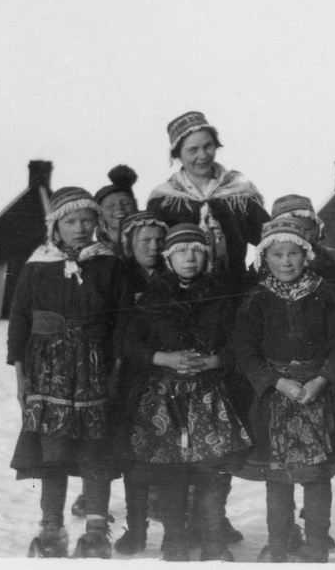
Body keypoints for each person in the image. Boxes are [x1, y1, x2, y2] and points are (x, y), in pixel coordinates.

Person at [7, 187, 134, 559]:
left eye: (87, 220)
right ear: (56, 226)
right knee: (53, 452)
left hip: (95, 368)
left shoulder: (109, 264)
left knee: (95, 450)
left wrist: (116, 369)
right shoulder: (37, 265)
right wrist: (20, 375)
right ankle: (51, 529)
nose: (80, 228)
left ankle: (96, 532)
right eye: (70, 221)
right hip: (47, 370)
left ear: (97, 222)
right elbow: (19, 321)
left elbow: (124, 321)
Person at [121, 224, 252, 562]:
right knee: (170, 472)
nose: (189, 257)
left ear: (207, 255)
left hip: (209, 394)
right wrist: (162, 357)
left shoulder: (223, 296)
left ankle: (212, 541)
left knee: (210, 470)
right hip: (164, 396)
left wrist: (216, 360)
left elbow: (241, 340)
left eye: (197, 250)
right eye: (181, 251)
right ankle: (174, 541)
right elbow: (129, 343)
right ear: (168, 256)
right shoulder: (151, 298)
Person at [232, 219, 335, 563]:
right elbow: (244, 351)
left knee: (316, 478)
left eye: (293, 254)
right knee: (278, 479)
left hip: (319, 397)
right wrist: (278, 382)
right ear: (265, 258)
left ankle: (316, 546)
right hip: (276, 398)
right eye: (277, 254)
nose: (286, 262)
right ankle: (278, 545)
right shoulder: (256, 299)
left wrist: (320, 380)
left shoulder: (325, 294)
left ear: (307, 255)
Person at [146, 111, 269, 293]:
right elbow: (153, 251)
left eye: (208, 146)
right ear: (178, 154)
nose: (203, 155)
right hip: (181, 294)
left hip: (234, 289)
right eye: (192, 150)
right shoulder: (164, 199)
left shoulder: (239, 192)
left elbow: (267, 239)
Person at [105, 211, 168, 555]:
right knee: (134, 454)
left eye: (160, 240)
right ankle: (137, 527)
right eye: (145, 240)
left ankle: (181, 526)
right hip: (131, 376)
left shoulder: (175, 273)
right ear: (129, 244)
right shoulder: (119, 276)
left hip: (169, 375)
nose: (154, 247)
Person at [94, 165, 140, 250]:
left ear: (136, 206)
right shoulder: (93, 250)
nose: (119, 208)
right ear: (100, 213)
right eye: (111, 206)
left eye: (126, 203)